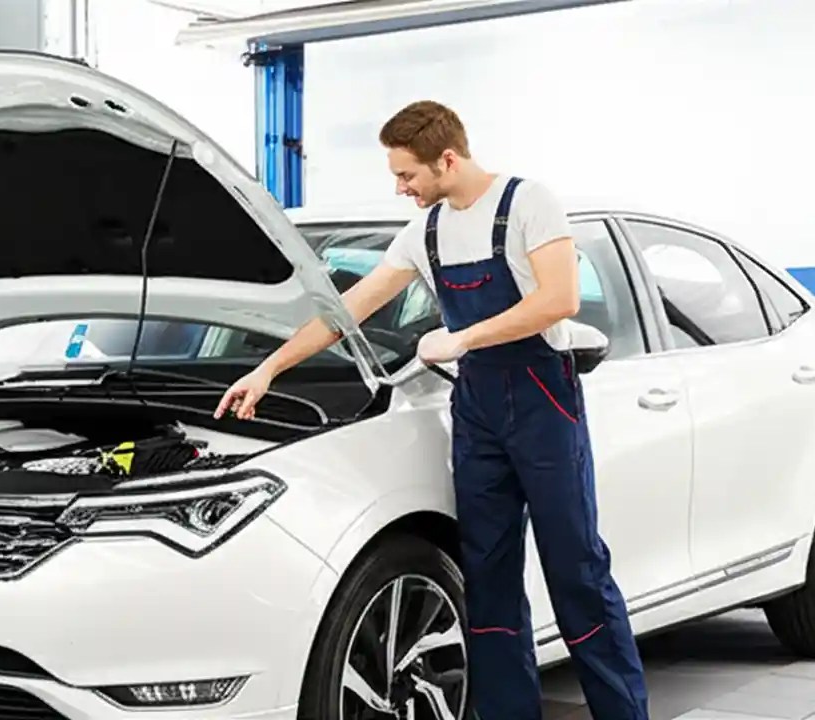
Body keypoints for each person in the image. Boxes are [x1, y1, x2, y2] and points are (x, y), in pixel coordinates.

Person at [215, 100, 648, 719]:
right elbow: (350, 309)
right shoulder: (427, 231)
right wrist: (267, 368)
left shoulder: (528, 203)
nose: (402, 188)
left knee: (575, 570)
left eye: (407, 175)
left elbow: (560, 299)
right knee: (489, 578)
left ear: (447, 159)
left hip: (543, 401)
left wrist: (463, 338)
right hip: (477, 412)